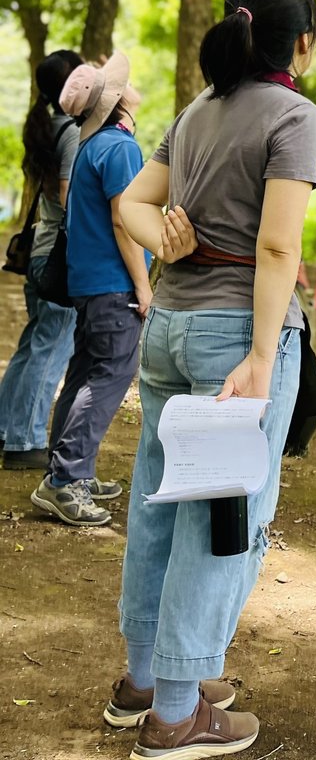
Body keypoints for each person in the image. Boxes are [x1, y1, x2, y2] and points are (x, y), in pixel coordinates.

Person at [111, 0, 316, 757]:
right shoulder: (295, 114)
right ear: (301, 41)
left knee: (158, 502)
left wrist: (161, 235)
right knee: (221, 518)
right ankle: (176, 713)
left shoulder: (198, 112)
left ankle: (144, 679)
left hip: (167, 326)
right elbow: (277, 244)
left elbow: (128, 204)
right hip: (236, 337)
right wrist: (266, 353)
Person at [30, 53, 150, 527]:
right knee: (109, 375)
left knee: (83, 375)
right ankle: (64, 479)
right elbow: (125, 221)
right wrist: (143, 285)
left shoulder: (90, 146)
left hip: (88, 282)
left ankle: (68, 472)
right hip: (113, 283)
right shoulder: (119, 149)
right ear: (118, 99)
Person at [0, 49, 82, 470]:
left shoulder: (45, 126)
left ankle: (6, 429)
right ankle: (24, 441)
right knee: (51, 348)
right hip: (58, 257)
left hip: (39, 252)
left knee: (34, 344)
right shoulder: (69, 132)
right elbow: (68, 198)